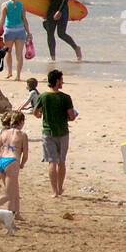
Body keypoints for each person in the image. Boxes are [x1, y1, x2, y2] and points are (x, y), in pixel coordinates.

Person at [33, 68, 76, 199]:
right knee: (61, 161)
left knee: (52, 161)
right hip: (63, 132)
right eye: (61, 80)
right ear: (57, 81)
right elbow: (71, 116)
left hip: (48, 132)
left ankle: (54, 191)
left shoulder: (43, 96)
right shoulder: (65, 98)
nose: (62, 82)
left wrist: (41, 115)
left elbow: (35, 112)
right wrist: (73, 116)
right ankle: (60, 187)